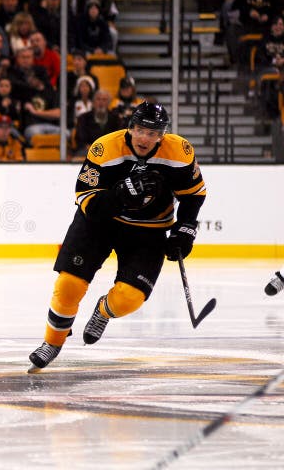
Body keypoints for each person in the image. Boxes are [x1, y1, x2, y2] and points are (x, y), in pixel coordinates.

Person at [28, 102, 207, 372]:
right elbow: (85, 198)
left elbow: (194, 195)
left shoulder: (180, 153)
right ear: (130, 128)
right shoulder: (105, 148)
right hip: (100, 223)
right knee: (68, 286)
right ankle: (52, 342)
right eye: (141, 130)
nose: (145, 138)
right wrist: (118, 195)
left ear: (162, 135)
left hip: (149, 230)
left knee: (129, 298)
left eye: (153, 133)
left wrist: (185, 229)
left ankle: (103, 311)